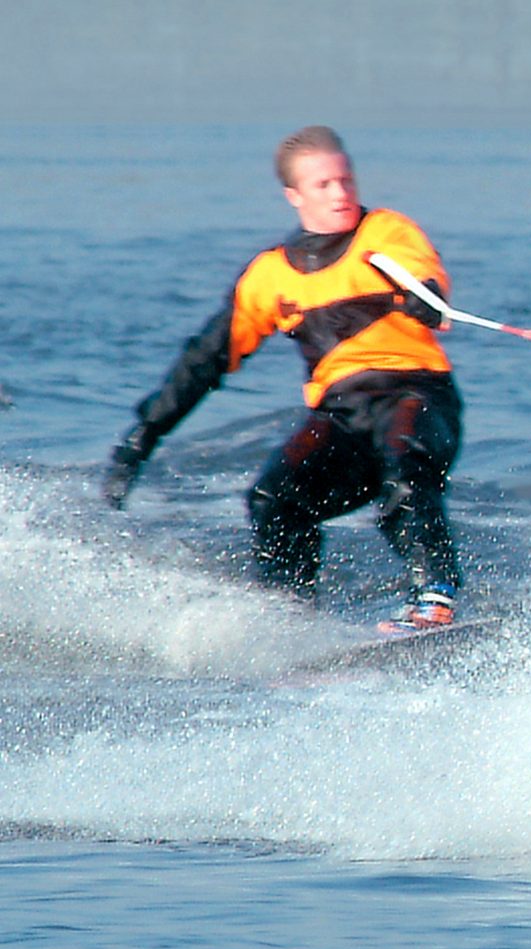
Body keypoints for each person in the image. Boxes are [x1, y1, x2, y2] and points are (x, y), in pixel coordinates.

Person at [102, 125, 464, 634]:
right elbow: (203, 362)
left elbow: (424, 275)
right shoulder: (269, 276)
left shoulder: (386, 234)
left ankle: (434, 598)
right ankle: (289, 622)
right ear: (294, 196)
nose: (340, 193)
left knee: (403, 469)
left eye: (346, 179)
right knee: (274, 499)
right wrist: (144, 436)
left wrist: (425, 296)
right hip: (342, 414)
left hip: (417, 396)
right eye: (323, 185)